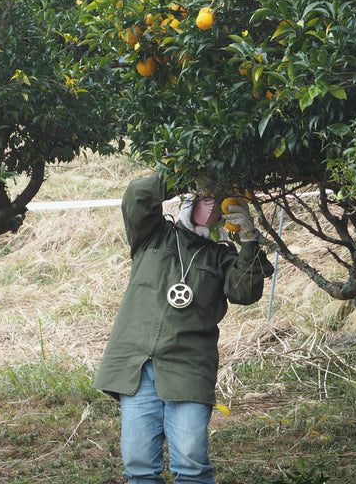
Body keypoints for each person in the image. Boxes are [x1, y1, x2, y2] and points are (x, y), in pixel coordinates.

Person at [94, 172, 274, 484]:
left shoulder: (222, 256)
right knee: (138, 463)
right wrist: (183, 177)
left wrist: (248, 239)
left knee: (191, 461)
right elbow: (136, 195)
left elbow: (244, 292)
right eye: (204, 197)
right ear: (188, 199)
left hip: (189, 367)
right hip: (136, 365)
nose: (211, 206)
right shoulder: (153, 235)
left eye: (218, 202)